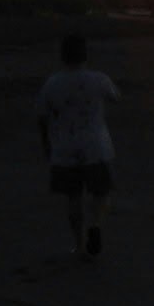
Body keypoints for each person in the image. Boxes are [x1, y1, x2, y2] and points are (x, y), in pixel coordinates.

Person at [37, 32, 121, 257]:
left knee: (73, 197)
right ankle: (95, 225)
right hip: (96, 146)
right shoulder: (98, 79)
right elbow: (115, 97)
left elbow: (42, 118)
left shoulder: (52, 83)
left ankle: (79, 245)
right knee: (102, 192)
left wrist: (47, 146)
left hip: (64, 148)